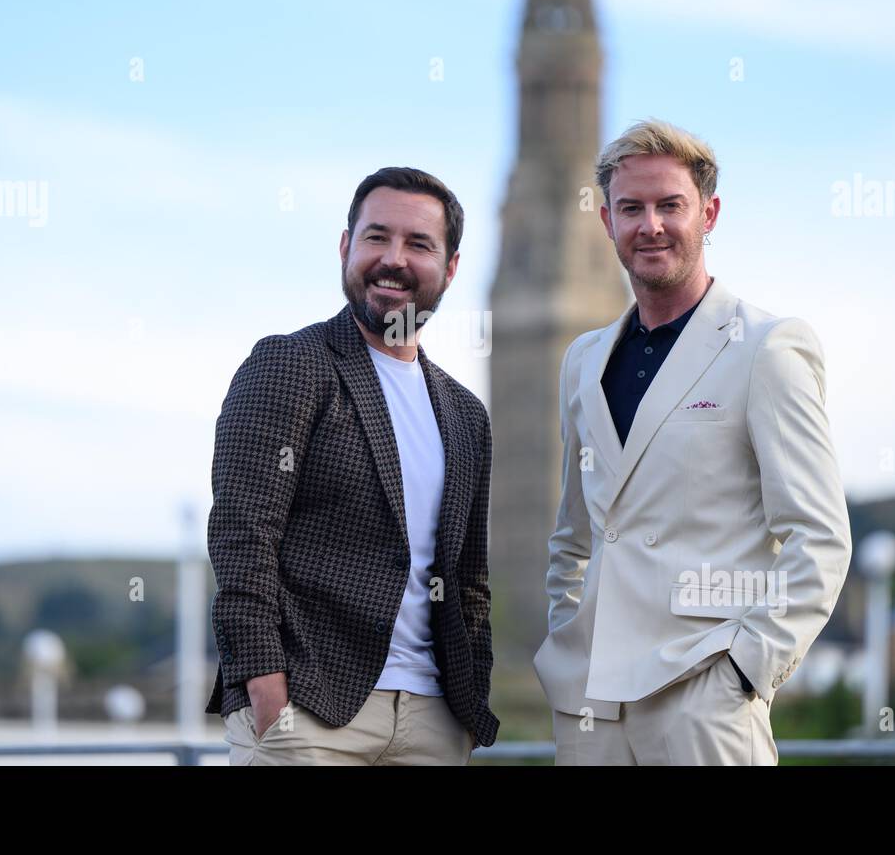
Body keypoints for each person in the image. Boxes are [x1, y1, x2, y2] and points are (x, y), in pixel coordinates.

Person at [533, 119, 852, 764]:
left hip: (702, 692)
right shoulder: (583, 361)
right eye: (631, 209)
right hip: (591, 703)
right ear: (607, 222)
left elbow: (820, 538)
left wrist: (746, 670)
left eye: (669, 205)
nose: (650, 225)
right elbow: (574, 534)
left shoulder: (767, 348)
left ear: (708, 214)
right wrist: (567, 634)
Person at [206, 166, 499, 764]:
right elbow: (242, 534)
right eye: (376, 237)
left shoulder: (466, 414)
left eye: (418, 244)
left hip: (434, 720)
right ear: (346, 247)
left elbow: (469, 580)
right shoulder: (290, 363)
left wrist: (471, 703)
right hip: (309, 712)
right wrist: (264, 683)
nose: (393, 259)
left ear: (450, 268)